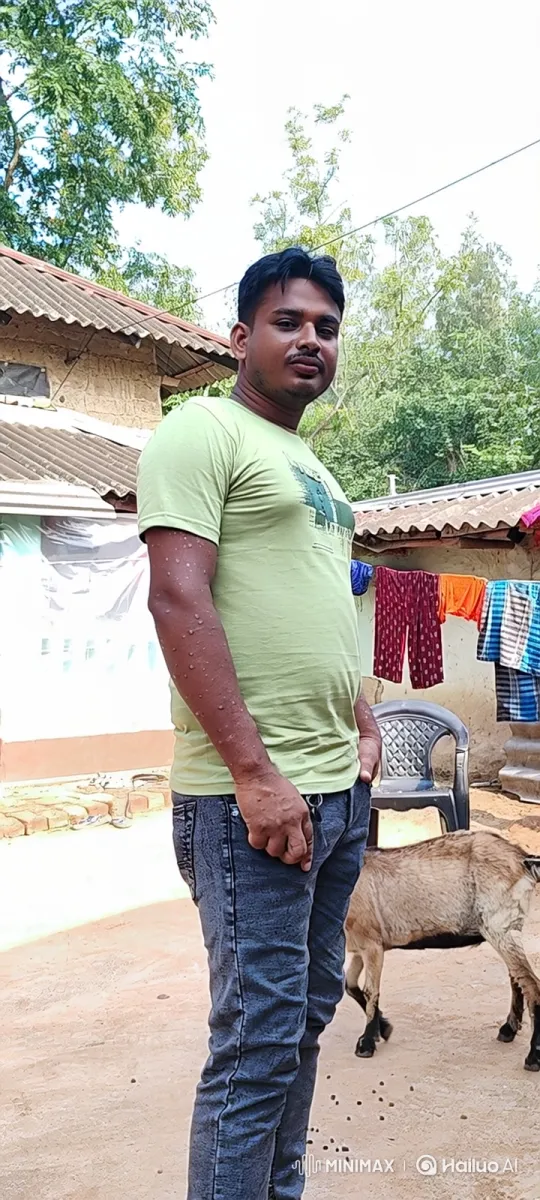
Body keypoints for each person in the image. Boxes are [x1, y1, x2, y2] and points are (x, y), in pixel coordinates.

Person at [137, 246, 381, 1200]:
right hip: (252, 803)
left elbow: (325, 604)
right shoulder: (203, 431)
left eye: (326, 327)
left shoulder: (314, 467)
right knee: (255, 1046)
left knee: (303, 1020)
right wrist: (254, 771)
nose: (311, 340)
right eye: (289, 322)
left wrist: (363, 719)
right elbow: (177, 600)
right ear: (242, 337)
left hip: (333, 791)